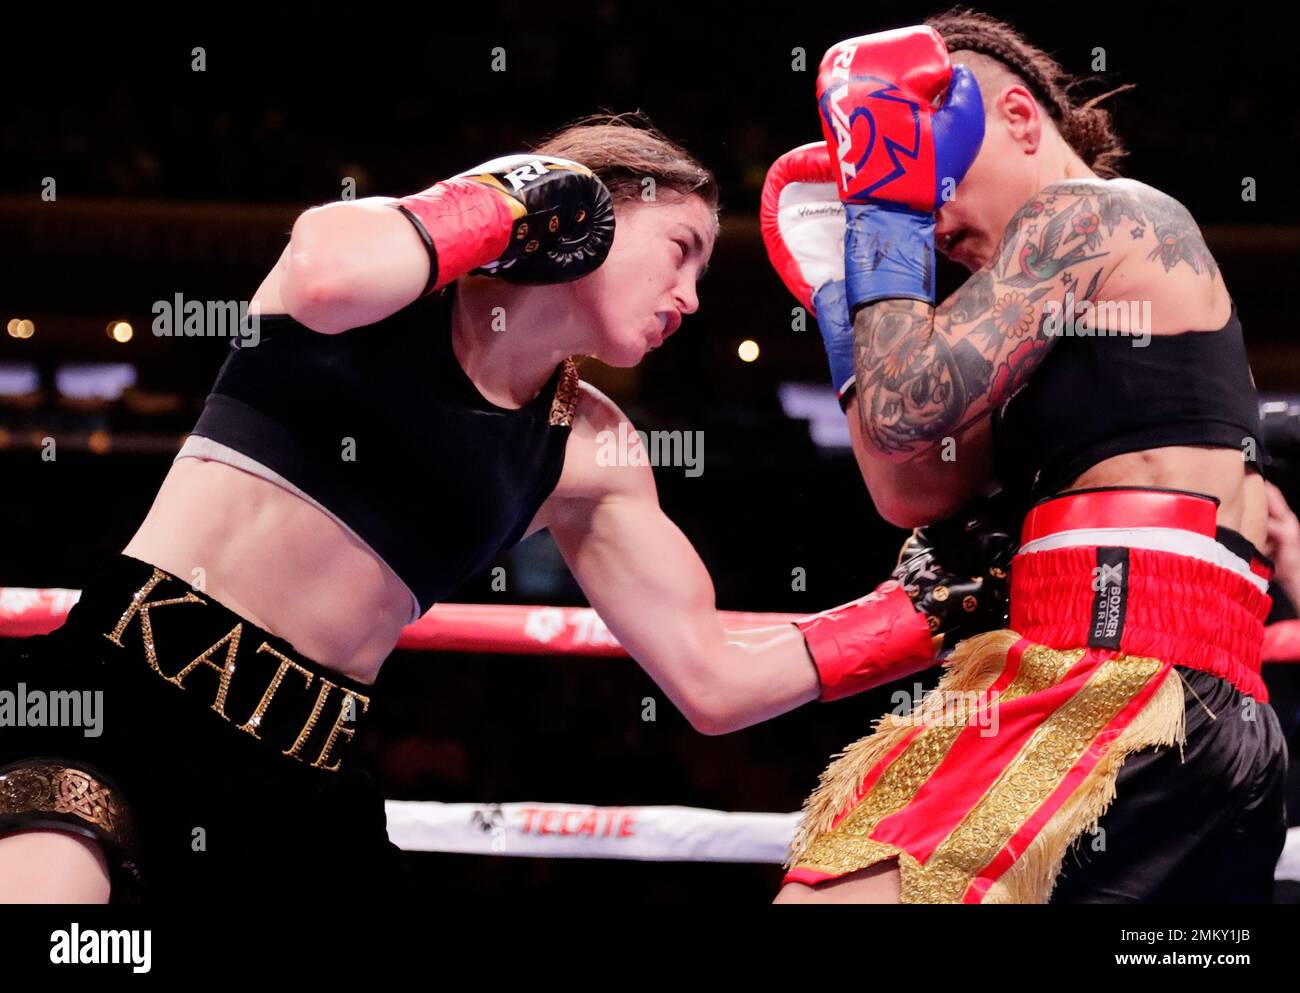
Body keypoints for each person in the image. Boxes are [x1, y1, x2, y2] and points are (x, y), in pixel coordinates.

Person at [0, 113, 1001, 904]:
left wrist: (919, 611)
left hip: (301, 776)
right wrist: (509, 201)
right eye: (682, 247)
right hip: (119, 697)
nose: (692, 295)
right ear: (592, 214)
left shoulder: (592, 447)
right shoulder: (384, 275)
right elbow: (325, 266)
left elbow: (707, 678)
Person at [763, 11, 1287, 903]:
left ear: (1015, 117)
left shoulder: (1097, 215)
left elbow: (899, 411)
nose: (929, 214)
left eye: (935, 169)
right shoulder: (1021, 320)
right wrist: (837, 299)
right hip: (1173, 696)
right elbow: (911, 484)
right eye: (908, 189)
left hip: (1123, 676)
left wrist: (878, 220)